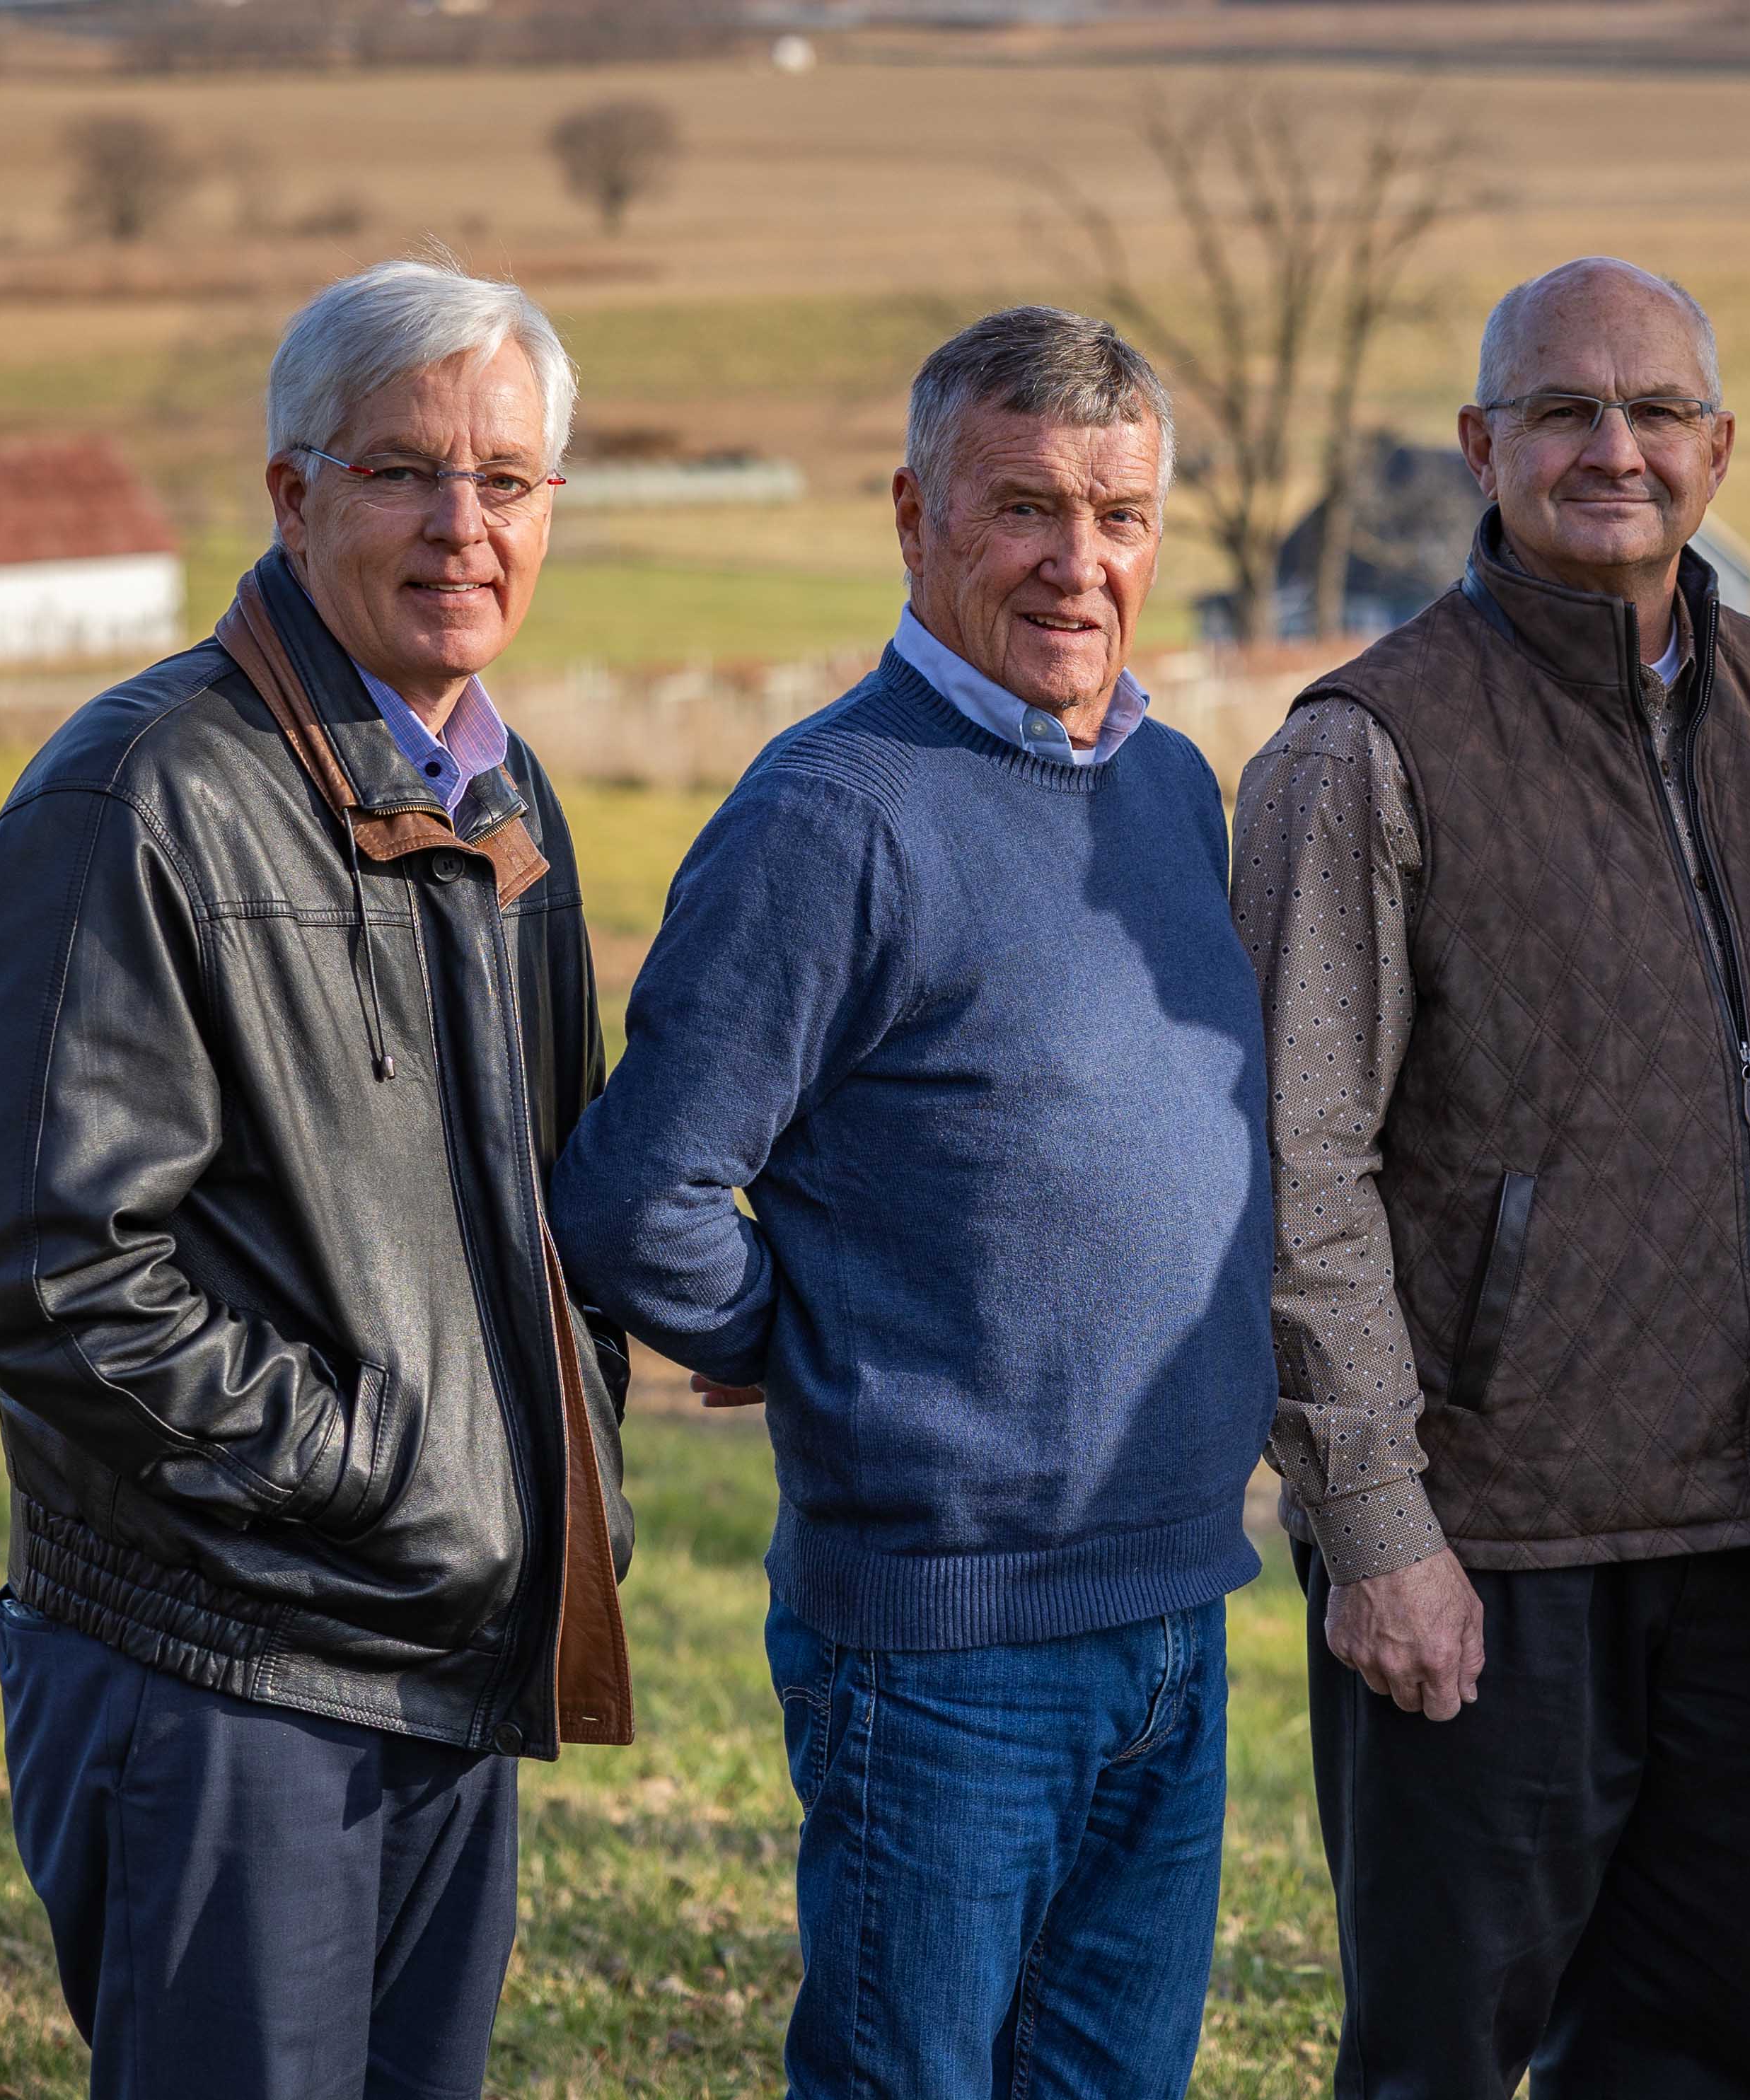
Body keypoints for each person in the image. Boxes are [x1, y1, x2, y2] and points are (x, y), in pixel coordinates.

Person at [0, 258, 632, 2099]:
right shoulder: (142, 792)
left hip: (435, 1654)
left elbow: (528, 1198)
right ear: (292, 496)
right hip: (222, 1668)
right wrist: (376, 1472)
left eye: (508, 480)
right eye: (405, 471)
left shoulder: (502, 792)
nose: (463, 525)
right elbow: (42, 1259)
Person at [548, 306, 1271, 2100]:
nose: (1078, 563)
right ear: (911, 514)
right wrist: (815, 1338)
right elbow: (640, 1195)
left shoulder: (1171, 789)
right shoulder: (835, 813)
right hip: (948, 1642)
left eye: (1118, 514)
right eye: (1024, 507)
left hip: (1173, 1607)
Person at [1232, 256, 1750, 2098]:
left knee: (1690, 2062)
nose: (1617, 448)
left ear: (1719, 444)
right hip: (1483, 1555)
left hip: (1748, 1543)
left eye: (1656, 410)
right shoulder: (1364, 748)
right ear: (1481, 444)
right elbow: (1299, 1167)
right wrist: (1375, 1523)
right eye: (1565, 412)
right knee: (1443, 2060)